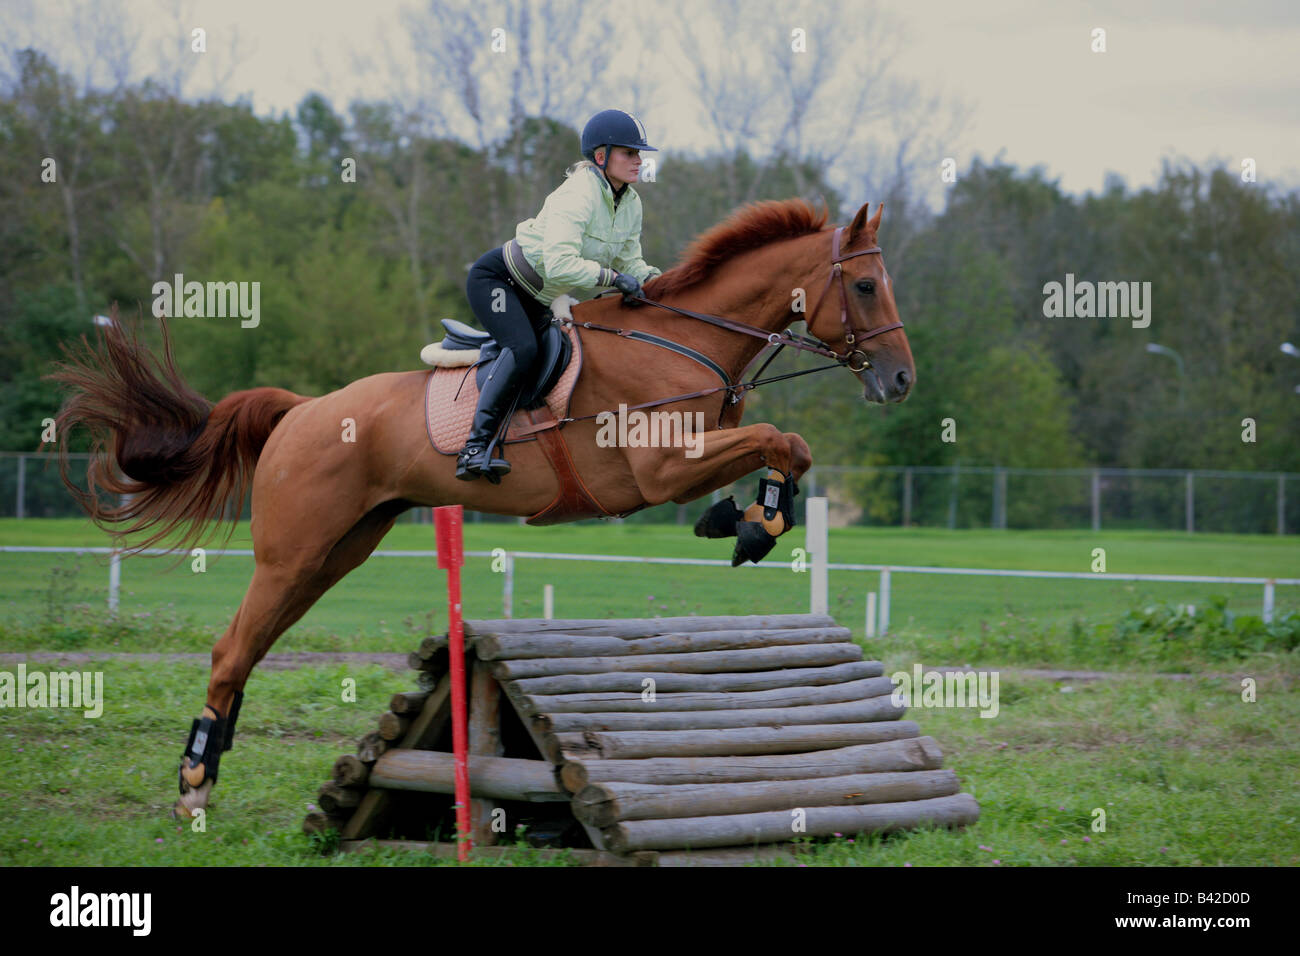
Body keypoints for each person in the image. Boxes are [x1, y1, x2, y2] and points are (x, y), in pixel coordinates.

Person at [456, 109, 662, 482]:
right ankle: (474, 446)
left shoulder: (631, 203)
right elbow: (560, 265)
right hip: (499, 283)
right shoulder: (577, 194)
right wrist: (613, 278)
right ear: (601, 156)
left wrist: (662, 284)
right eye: (629, 153)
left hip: (538, 297)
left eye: (639, 154)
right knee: (523, 349)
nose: (639, 161)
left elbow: (630, 261)